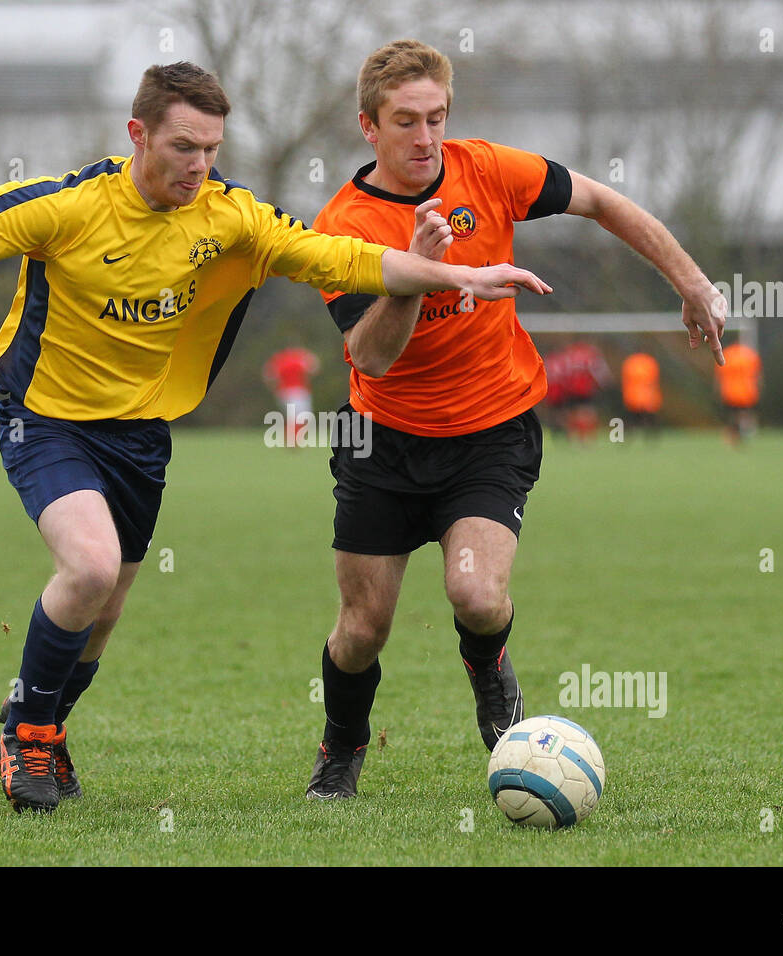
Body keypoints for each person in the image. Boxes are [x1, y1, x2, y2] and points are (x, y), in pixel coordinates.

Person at [0, 61, 550, 814]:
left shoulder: (228, 217)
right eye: (184, 147)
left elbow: (338, 257)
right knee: (88, 568)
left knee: (103, 610)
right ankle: (28, 733)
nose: (200, 165)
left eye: (212, 148)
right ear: (137, 134)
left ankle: (46, 724)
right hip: (46, 418)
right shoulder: (66, 207)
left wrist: (452, 276)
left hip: (142, 437)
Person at [304, 39, 725, 799]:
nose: (426, 138)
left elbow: (602, 200)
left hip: (489, 432)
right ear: (369, 127)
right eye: (406, 121)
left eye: (437, 118)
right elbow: (371, 359)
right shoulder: (342, 224)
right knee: (363, 629)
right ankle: (342, 745)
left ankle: (489, 668)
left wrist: (692, 281)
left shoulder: (488, 170)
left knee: (476, 595)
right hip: (382, 442)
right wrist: (412, 272)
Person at [263, 346, 320, 446]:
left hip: (284, 392)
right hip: (298, 392)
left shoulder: (279, 360)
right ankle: (292, 441)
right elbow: (314, 368)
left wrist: (274, 388)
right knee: (301, 418)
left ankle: (291, 440)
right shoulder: (298, 359)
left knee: (294, 418)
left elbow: (269, 375)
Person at [715, 341, 761, 445]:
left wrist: (718, 391)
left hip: (729, 392)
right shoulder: (750, 355)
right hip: (747, 392)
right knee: (745, 414)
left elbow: (719, 377)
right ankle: (745, 432)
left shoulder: (725, 355)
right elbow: (758, 376)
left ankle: (731, 437)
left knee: (731, 416)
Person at [621, 351, 663, 438]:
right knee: (646, 418)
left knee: (634, 419)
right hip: (644, 396)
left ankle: (628, 437)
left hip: (633, 396)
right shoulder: (649, 362)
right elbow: (654, 379)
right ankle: (651, 437)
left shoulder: (631, 362)